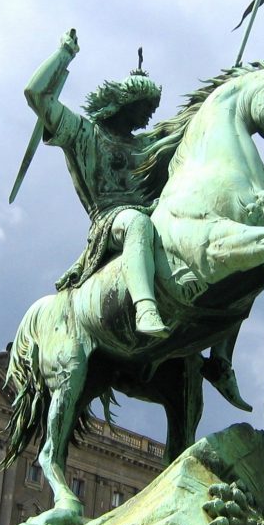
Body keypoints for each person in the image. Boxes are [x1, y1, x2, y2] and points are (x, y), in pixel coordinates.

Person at [22, 30, 169, 338]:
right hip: (110, 219)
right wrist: (64, 53)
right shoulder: (84, 134)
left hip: (150, 212)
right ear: (126, 102)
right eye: (146, 107)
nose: (149, 116)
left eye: (152, 110)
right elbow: (35, 94)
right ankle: (145, 308)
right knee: (136, 223)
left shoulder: (145, 145)